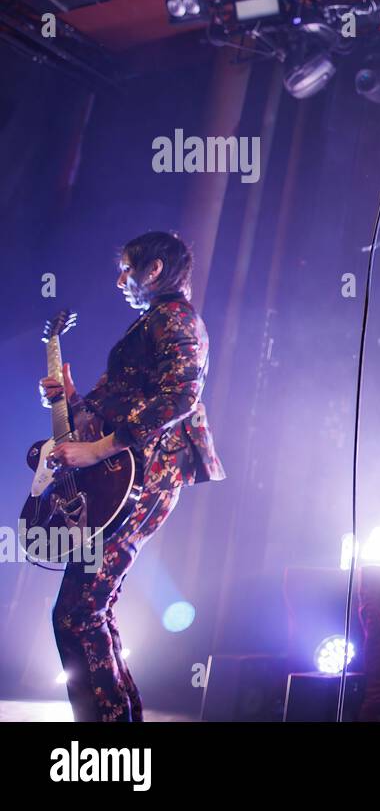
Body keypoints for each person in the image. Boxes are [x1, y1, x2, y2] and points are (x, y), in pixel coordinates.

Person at [39, 230, 224, 721]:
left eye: (127, 267)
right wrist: (73, 400)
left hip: (149, 476)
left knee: (78, 612)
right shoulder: (153, 323)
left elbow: (180, 397)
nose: (121, 278)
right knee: (87, 609)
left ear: (154, 269)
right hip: (131, 474)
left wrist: (98, 448)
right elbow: (119, 407)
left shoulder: (177, 319)